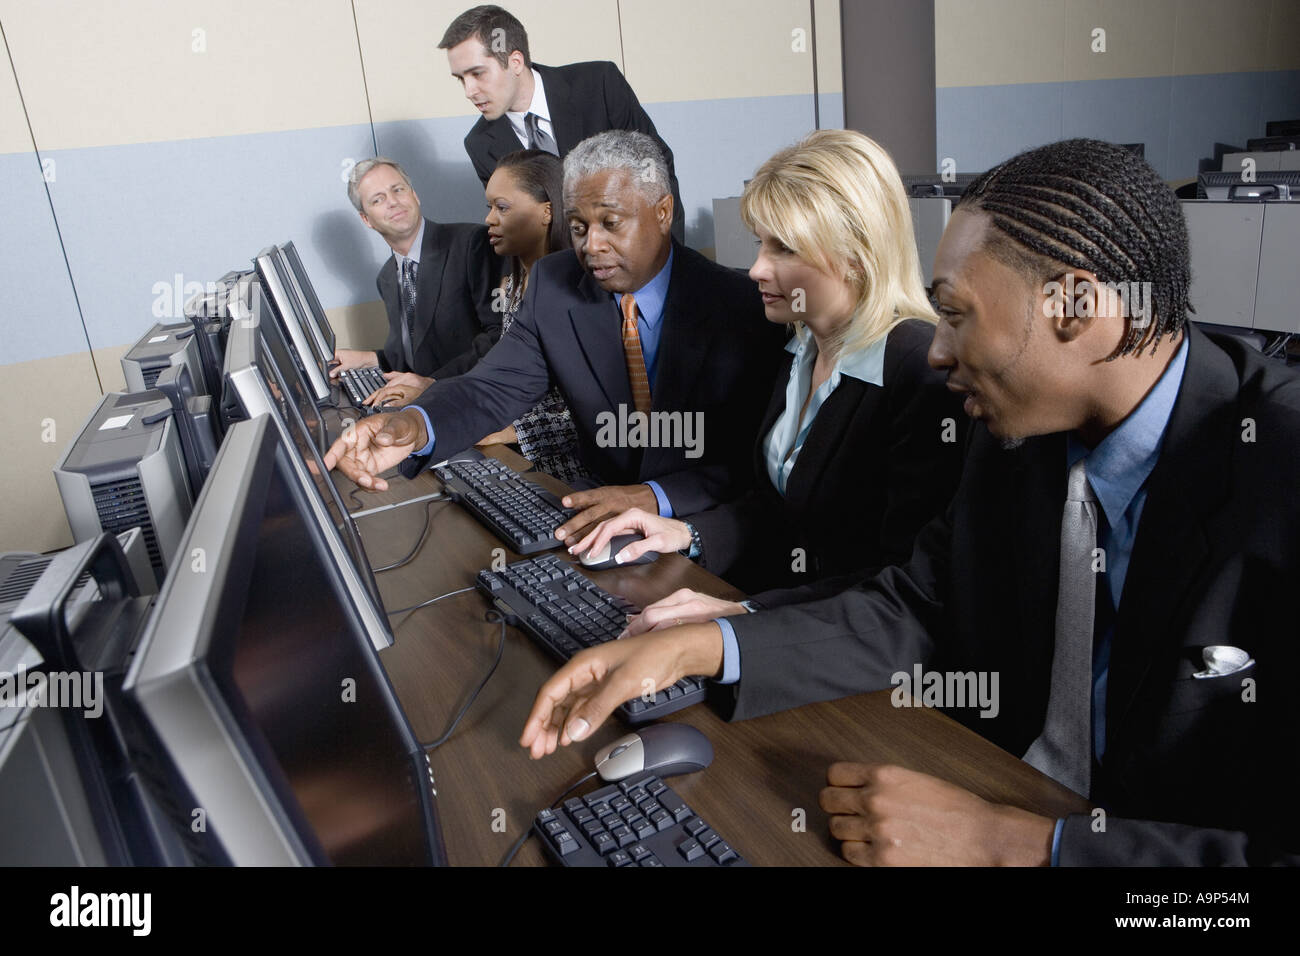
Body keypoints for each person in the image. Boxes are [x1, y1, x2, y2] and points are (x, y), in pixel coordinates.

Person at [518, 139, 1300, 867]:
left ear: (1077, 308)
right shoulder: (1015, 427)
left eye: (956, 315)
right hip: (999, 786)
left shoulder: (1278, 470)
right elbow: (921, 605)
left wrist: (1019, 847)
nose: (934, 349)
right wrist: (702, 648)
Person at [324, 130, 786, 543]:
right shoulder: (556, 282)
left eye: (611, 223)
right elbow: (490, 388)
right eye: (580, 227)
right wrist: (414, 426)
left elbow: (755, 458)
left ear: (663, 212)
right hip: (600, 513)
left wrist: (653, 497)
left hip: (703, 527)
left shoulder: (743, 307)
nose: (592, 246)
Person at [567, 130, 966, 593]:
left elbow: (903, 587)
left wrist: (742, 621)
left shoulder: (917, 370)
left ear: (856, 255)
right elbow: (782, 509)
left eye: (784, 248)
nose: (756, 268)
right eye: (760, 243)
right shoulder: (798, 344)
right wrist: (689, 533)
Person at [439, 4, 686, 243]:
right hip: (560, 276)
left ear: (515, 62)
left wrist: (666, 260)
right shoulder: (480, 144)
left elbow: (654, 168)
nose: (469, 91)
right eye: (461, 79)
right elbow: (517, 230)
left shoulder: (599, 84)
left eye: (477, 74)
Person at [330, 157, 501, 395]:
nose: (392, 202)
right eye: (378, 199)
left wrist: (432, 383)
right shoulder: (387, 278)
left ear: (415, 195)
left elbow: (500, 336)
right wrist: (369, 359)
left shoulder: (470, 244)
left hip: (474, 396)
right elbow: (416, 355)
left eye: (398, 190)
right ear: (366, 219)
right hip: (427, 403)